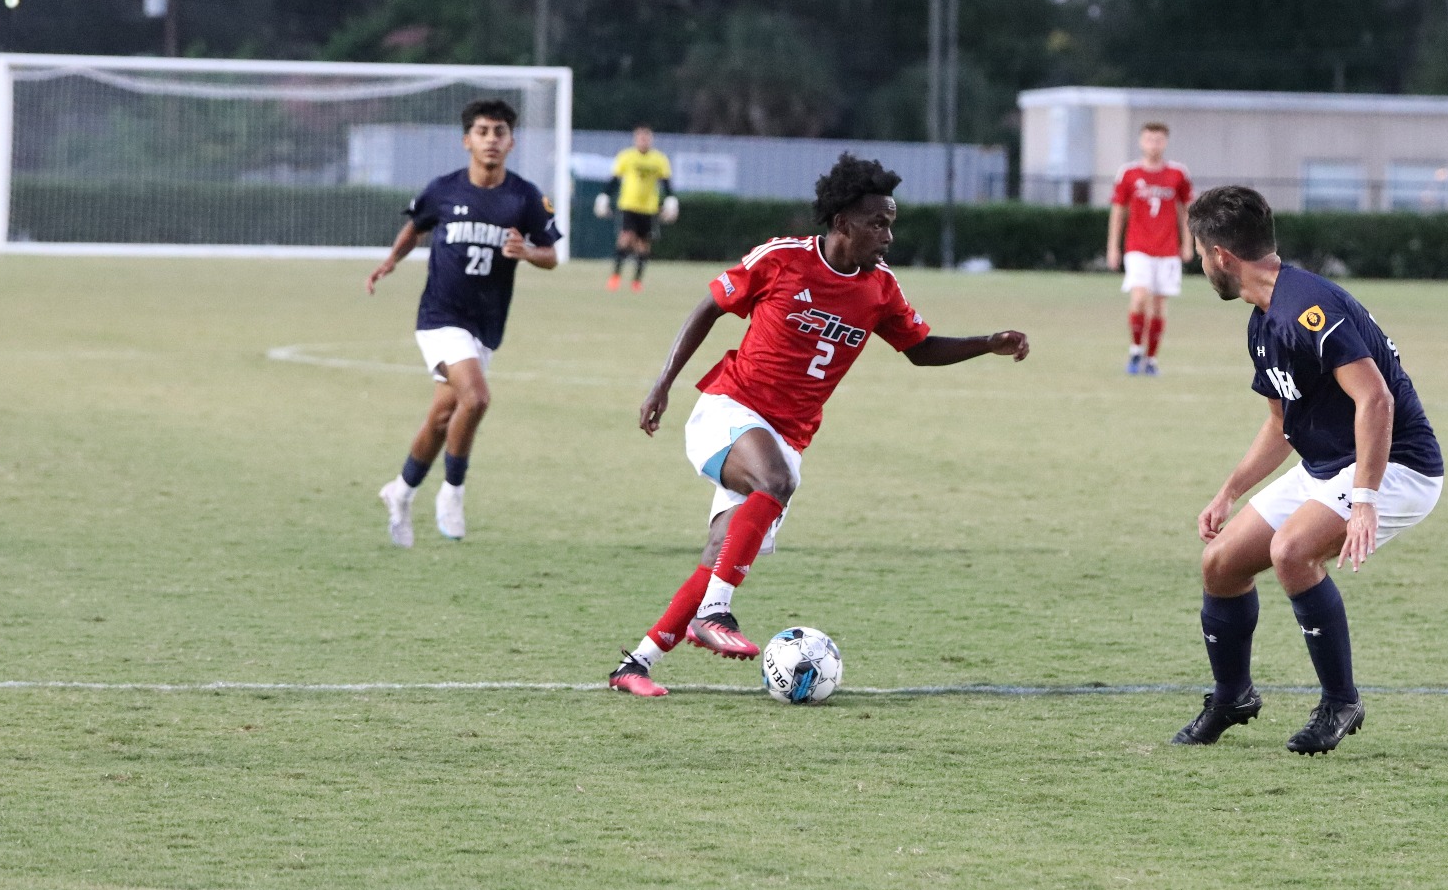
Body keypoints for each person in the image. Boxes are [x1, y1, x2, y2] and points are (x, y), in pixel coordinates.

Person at [606, 154, 1031, 696]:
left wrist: (986, 343)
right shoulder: (783, 259)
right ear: (842, 223)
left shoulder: (881, 289)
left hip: (787, 438)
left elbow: (920, 350)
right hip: (728, 410)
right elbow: (708, 307)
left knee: (720, 553)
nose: (888, 235)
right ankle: (715, 614)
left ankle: (634, 666)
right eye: (878, 222)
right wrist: (663, 383)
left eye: (892, 222)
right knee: (776, 483)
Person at [1176, 186, 1444, 754]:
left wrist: (1366, 499)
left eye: (1199, 253)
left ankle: (1341, 702)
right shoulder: (1263, 317)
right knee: (1220, 564)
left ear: (1223, 255)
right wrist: (1229, 492)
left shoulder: (1306, 306)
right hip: (1329, 464)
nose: (1198, 264)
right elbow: (1281, 423)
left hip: (1396, 464)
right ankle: (1233, 696)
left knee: (1291, 551)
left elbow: (1377, 401)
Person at [366, 99, 561, 546]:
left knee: (443, 417)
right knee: (476, 399)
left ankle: (400, 491)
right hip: (440, 317)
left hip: (485, 325)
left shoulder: (526, 197)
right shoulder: (444, 189)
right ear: (466, 140)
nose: (491, 139)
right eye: (482, 131)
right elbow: (416, 227)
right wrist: (390, 262)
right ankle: (452, 492)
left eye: (499, 132)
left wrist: (528, 253)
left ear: (512, 142)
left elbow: (550, 254)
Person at [1106, 122, 1194, 375]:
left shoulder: (1178, 174)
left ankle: (1151, 359)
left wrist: (1187, 242)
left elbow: (1186, 209)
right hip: (1138, 247)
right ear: (1140, 142)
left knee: (1158, 305)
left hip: (1167, 249)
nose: (1153, 145)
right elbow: (1118, 211)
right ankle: (1135, 351)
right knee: (1139, 297)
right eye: (1148, 139)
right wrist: (1113, 247)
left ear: (1164, 142)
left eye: (1158, 140)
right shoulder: (1129, 173)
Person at [596, 126, 678, 293]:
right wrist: (604, 196)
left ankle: (636, 281)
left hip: (648, 208)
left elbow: (665, 182)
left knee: (643, 245)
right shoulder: (627, 156)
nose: (643, 141)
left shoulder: (659, 159)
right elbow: (614, 179)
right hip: (629, 205)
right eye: (640, 138)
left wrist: (671, 200)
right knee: (626, 238)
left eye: (646, 138)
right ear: (635, 140)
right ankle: (615, 276)